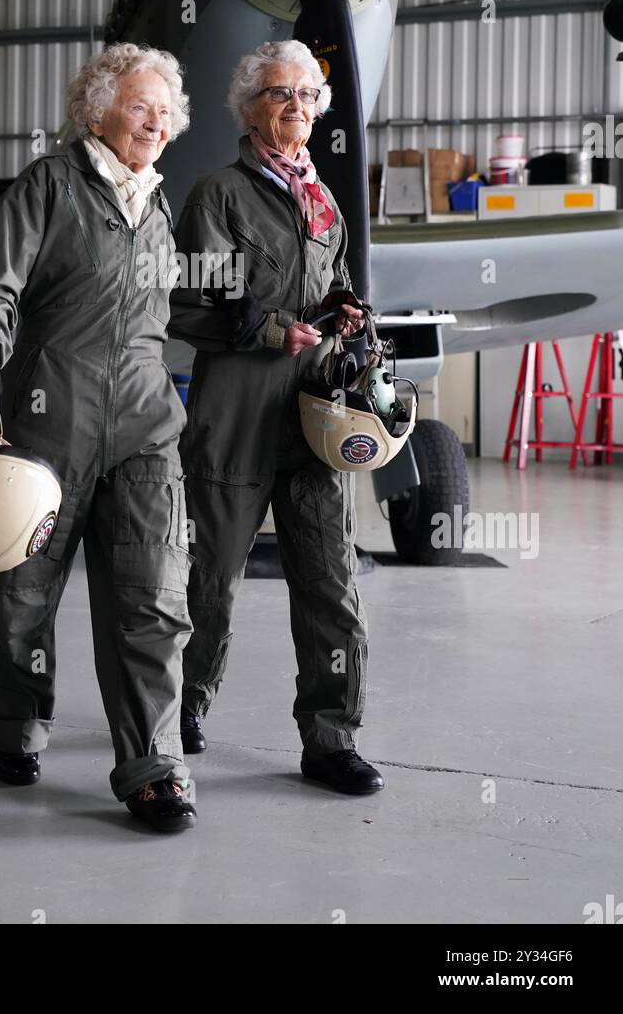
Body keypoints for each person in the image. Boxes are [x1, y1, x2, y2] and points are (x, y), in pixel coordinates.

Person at [0, 43, 197, 833]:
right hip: (49, 419)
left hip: (146, 426)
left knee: (154, 597)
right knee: (23, 592)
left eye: (164, 111)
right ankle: (15, 726)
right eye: (139, 106)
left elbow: (170, 316)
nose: (154, 123)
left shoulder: (161, 208)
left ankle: (154, 769)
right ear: (97, 110)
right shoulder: (50, 184)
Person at [168, 39, 383, 795]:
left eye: (308, 95)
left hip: (316, 419)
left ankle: (331, 741)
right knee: (209, 581)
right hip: (235, 419)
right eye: (280, 93)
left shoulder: (324, 201)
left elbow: (335, 284)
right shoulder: (219, 196)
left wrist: (345, 310)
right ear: (249, 107)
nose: (297, 106)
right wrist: (268, 331)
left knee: (331, 584)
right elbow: (188, 305)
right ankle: (179, 710)